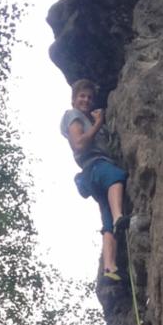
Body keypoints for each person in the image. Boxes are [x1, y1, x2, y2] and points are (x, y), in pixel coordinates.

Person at [60, 78, 128, 283]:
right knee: (115, 177)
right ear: (73, 99)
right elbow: (79, 144)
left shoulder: (86, 118)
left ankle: (110, 266)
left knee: (106, 222)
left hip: (94, 172)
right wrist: (99, 123)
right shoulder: (72, 116)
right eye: (82, 96)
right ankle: (119, 217)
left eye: (89, 97)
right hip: (94, 166)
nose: (86, 100)